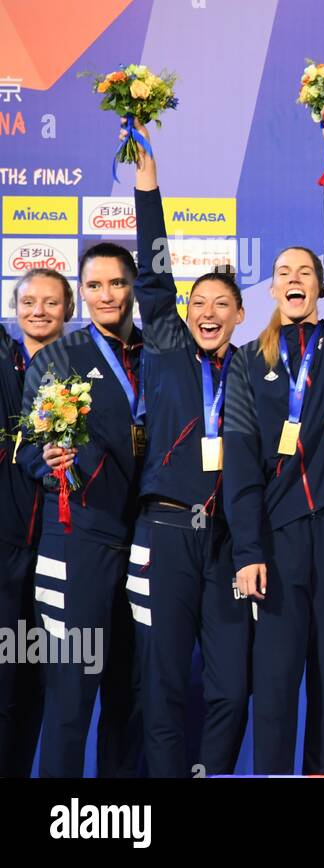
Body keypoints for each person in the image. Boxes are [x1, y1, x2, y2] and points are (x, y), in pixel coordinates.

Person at [222, 113, 324, 774]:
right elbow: (243, 466)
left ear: (321, 283)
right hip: (277, 542)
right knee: (275, 690)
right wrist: (249, 548)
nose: (293, 277)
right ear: (273, 287)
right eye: (282, 271)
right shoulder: (249, 360)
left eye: (304, 268)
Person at [123, 119, 251, 777]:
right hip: (167, 530)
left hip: (228, 542)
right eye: (197, 301)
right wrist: (149, 183)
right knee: (164, 684)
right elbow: (153, 270)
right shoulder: (168, 345)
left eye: (220, 304)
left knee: (231, 687)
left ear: (238, 315)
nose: (207, 311)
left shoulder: (256, 370)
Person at [21, 241, 146, 777]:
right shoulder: (57, 357)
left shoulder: (160, 352)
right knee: (71, 697)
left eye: (116, 283)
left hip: (146, 540)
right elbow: (27, 449)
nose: (106, 295)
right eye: (94, 285)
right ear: (82, 294)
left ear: (133, 287)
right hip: (78, 537)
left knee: (130, 697)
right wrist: (46, 460)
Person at [0, 268, 71, 775]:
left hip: (60, 548)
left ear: (68, 309)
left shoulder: (82, 369)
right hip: (5, 550)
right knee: (5, 681)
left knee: (42, 685)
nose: (39, 311)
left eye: (50, 302)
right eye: (29, 301)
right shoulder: (4, 361)